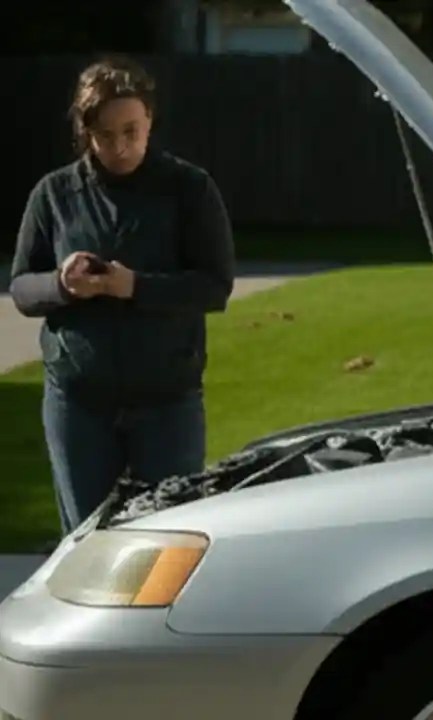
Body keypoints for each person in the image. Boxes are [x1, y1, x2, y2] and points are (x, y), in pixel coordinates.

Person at [8, 55, 235, 534]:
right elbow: (23, 288)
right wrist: (62, 285)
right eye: (105, 135)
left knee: (172, 538)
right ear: (85, 131)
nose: (120, 146)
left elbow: (215, 286)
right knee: (86, 540)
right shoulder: (54, 194)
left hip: (167, 400)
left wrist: (135, 286)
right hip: (78, 402)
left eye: (131, 130)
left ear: (150, 118)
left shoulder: (189, 189)